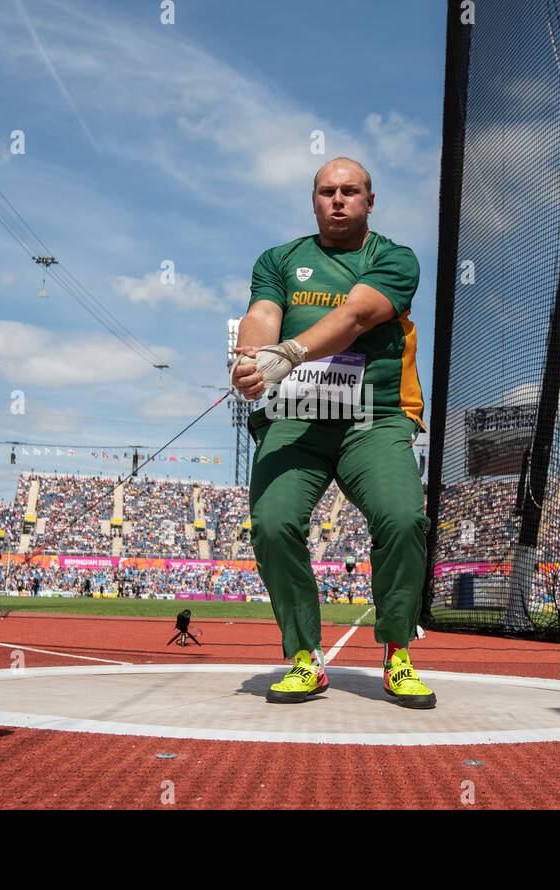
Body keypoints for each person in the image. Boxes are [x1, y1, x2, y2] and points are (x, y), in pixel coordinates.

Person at [231, 157, 434, 709]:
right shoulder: (279, 259)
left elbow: (357, 314)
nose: (338, 200)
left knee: (403, 517)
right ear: (313, 200)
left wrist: (289, 353)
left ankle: (397, 650)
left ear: (371, 201)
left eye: (351, 191)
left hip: (374, 416)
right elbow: (263, 313)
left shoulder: (394, 258)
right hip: (296, 417)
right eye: (327, 191)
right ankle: (304, 658)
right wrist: (252, 356)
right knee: (272, 524)